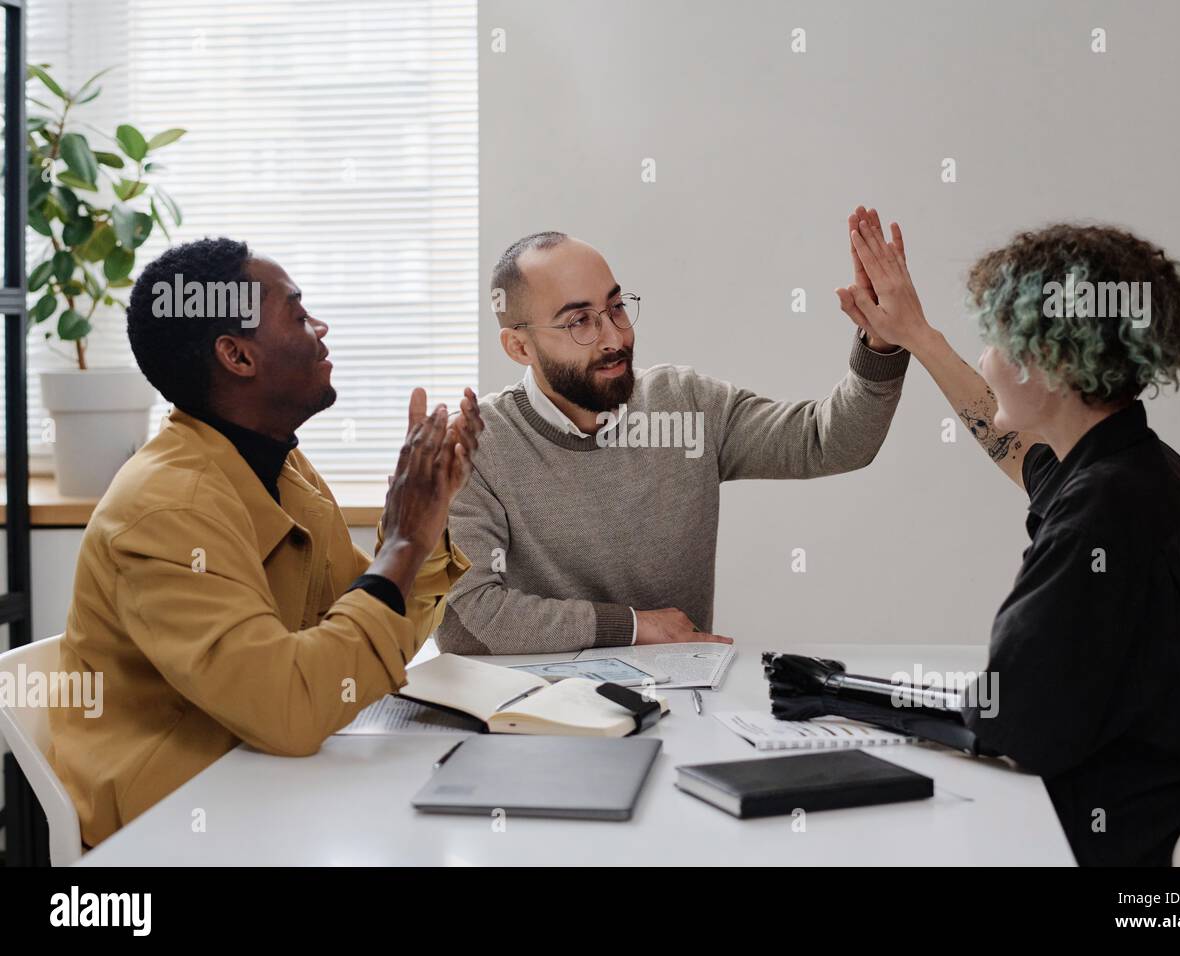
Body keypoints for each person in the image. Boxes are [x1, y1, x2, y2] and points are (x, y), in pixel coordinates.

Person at [838, 206, 1180, 866]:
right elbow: (1018, 451)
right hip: (1144, 812)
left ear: (1052, 363)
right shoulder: (1139, 468)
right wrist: (916, 336)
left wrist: (852, 706)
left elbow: (1011, 728)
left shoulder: (1101, 512)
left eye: (999, 340)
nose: (987, 357)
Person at [48, 237, 483, 846]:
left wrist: (423, 525)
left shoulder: (281, 466)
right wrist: (402, 544)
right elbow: (290, 709)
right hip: (171, 825)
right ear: (237, 356)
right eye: (299, 316)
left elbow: (367, 645)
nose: (320, 329)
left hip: (264, 780)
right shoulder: (166, 506)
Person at [436, 230, 911, 654]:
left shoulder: (685, 405)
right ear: (519, 347)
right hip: (536, 717)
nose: (614, 338)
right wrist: (632, 627)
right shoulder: (476, 446)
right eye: (579, 321)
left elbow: (829, 440)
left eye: (616, 308)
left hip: (680, 705)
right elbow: (466, 621)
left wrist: (882, 343)